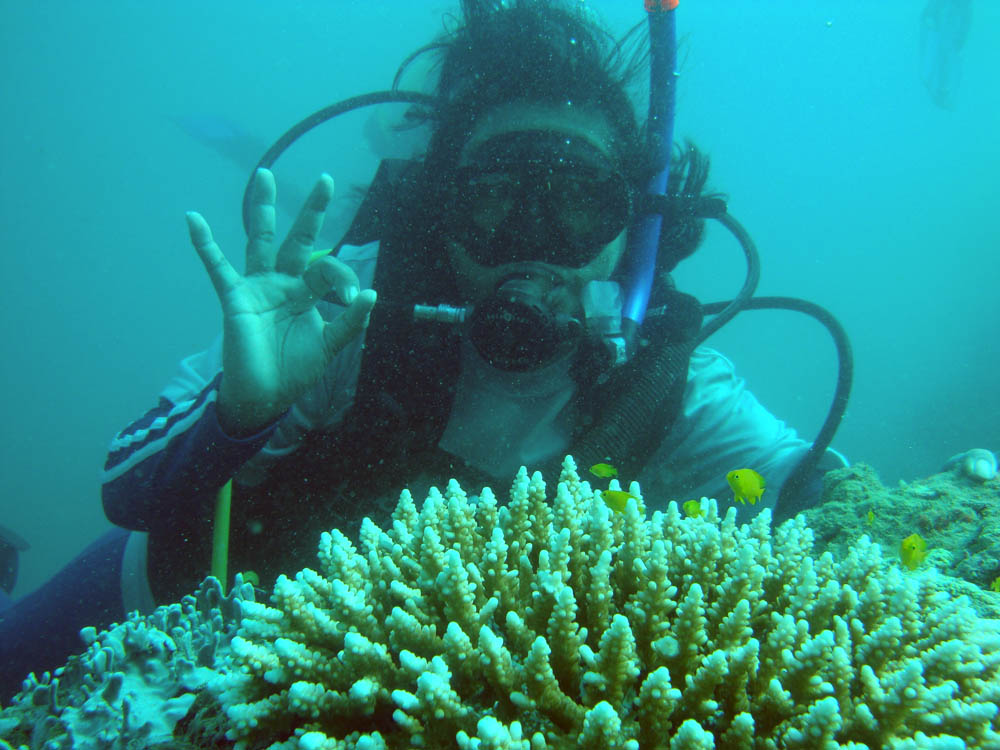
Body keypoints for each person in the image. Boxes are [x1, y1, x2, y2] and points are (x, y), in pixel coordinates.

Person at [1, 0, 991, 702]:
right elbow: (129, 493)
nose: (530, 240)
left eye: (575, 200)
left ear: (630, 227)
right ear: (443, 213)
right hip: (152, 615)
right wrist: (242, 408)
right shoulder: (341, 317)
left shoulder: (670, 382)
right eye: (496, 196)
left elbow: (857, 519)